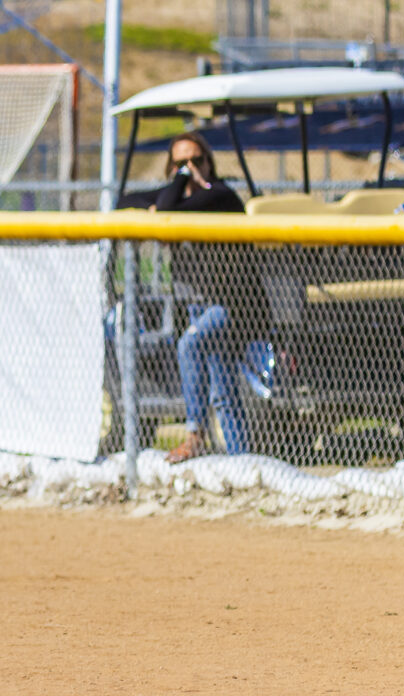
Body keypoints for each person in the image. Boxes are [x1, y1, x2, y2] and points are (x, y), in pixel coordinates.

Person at [150, 132, 265, 463]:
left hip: (231, 305)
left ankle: (195, 433)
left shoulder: (220, 196)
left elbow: (175, 207)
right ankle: (241, 459)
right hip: (195, 305)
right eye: (180, 162)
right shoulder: (177, 200)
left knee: (190, 345)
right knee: (222, 388)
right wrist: (175, 186)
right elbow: (130, 198)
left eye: (196, 160)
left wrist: (192, 180)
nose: (189, 167)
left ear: (208, 163)